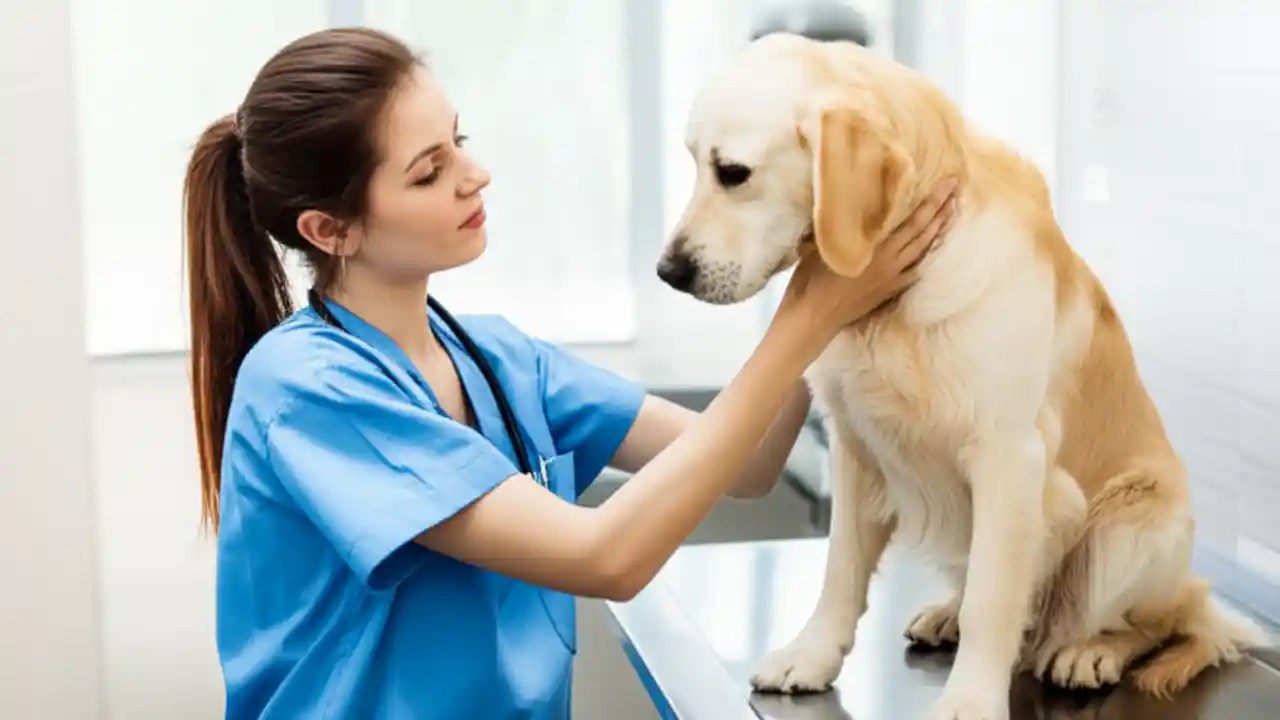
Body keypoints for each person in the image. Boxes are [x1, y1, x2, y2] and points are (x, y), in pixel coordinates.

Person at [184, 27, 958, 720]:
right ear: (332, 229)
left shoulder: (495, 357)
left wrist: (826, 246)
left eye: (460, 141)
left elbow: (750, 463)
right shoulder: (306, 388)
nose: (475, 175)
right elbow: (605, 559)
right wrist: (812, 318)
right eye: (429, 171)